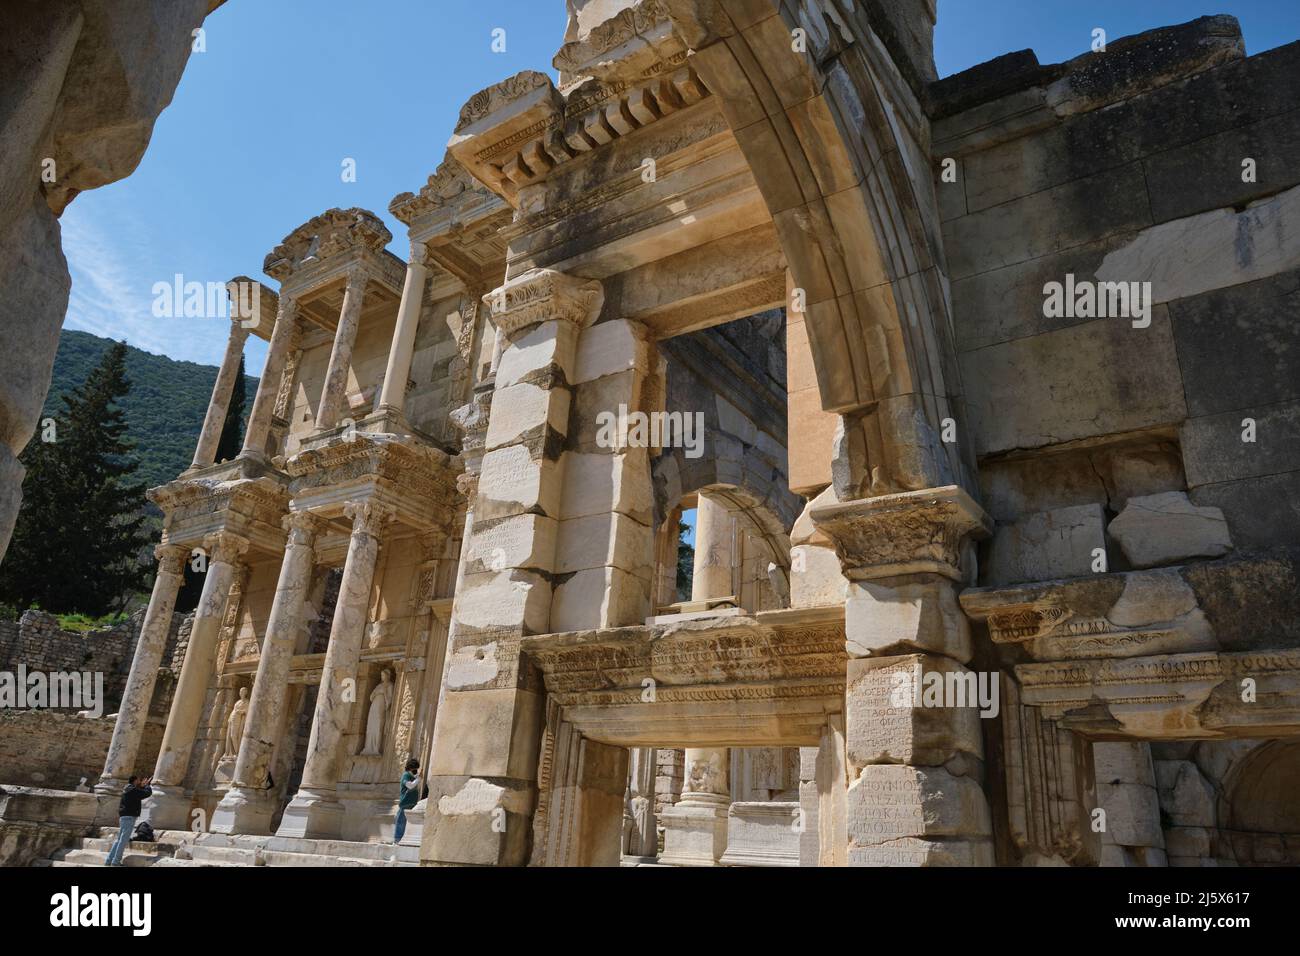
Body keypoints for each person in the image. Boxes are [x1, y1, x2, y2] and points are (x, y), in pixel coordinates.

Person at [106, 775, 152, 866]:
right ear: (135, 781)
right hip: (129, 817)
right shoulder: (132, 790)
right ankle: (116, 862)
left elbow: (139, 792)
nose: (139, 781)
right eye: (138, 780)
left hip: (124, 817)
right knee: (123, 841)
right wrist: (147, 785)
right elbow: (146, 793)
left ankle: (109, 860)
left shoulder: (128, 789)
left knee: (119, 840)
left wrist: (142, 786)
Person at [394, 758, 420, 844]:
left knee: (404, 822)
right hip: (405, 803)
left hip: (411, 803)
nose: (416, 770)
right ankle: (397, 840)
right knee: (400, 822)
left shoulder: (411, 776)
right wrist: (418, 779)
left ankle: (401, 839)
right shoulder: (405, 775)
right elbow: (410, 786)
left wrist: (417, 778)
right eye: (415, 768)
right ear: (411, 768)